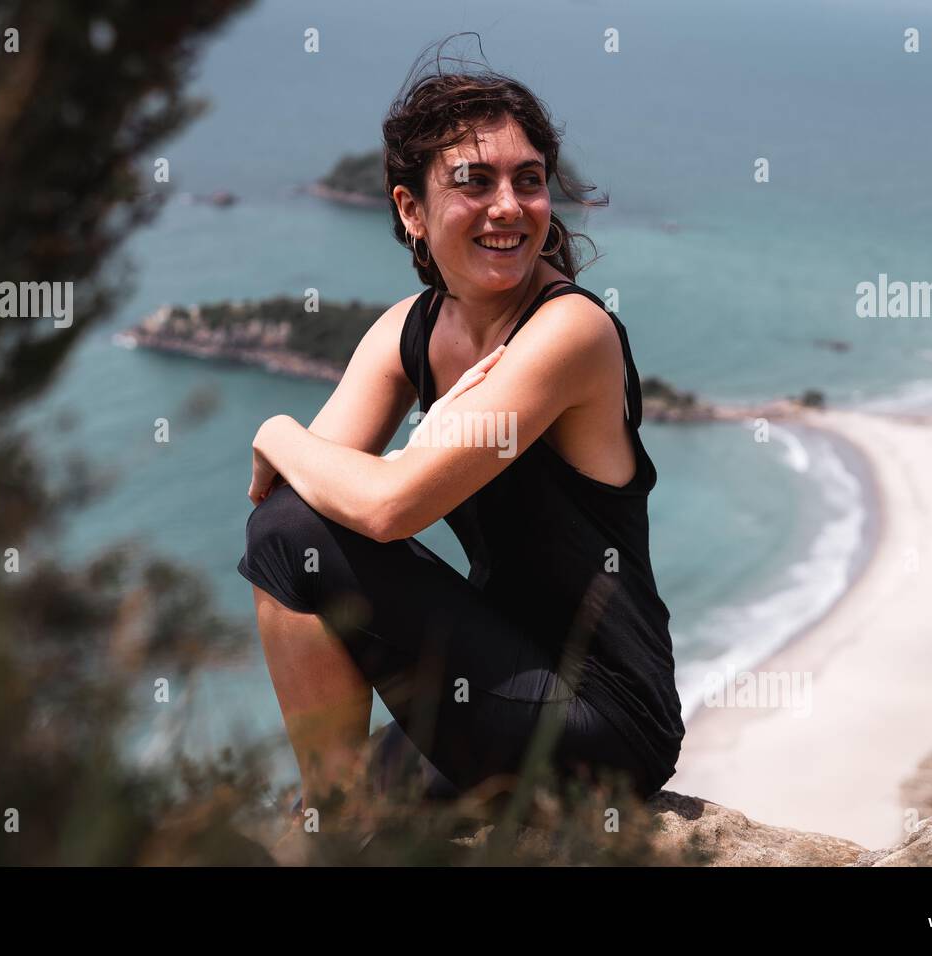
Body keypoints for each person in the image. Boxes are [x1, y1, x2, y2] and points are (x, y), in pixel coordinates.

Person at [239, 51, 685, 824]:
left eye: (529, 179)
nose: (509, 206)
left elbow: (384, 509)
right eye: (473, 182)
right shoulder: (406, 335)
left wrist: (279, 427)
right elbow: (310, 491)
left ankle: (337, 836)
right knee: (289, 529)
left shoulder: (570, 331)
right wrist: (417, 440)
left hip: (603, 721)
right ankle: (335, 816)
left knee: (283, 535)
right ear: (411, 210)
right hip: (497, 684)